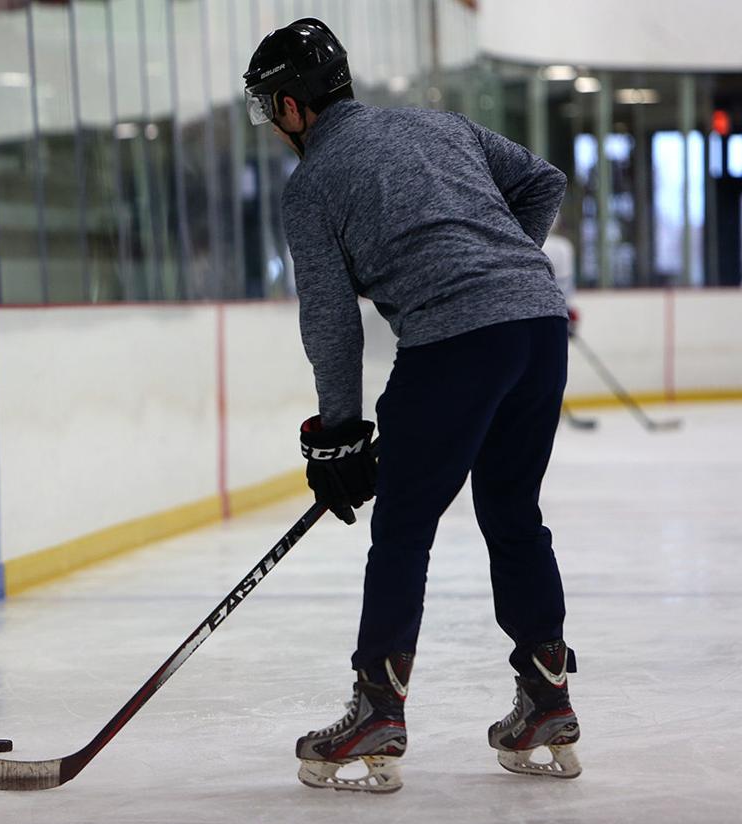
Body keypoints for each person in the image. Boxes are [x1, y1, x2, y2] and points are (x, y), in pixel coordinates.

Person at [243, 19, 580, 793]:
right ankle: (546, 698)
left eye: (271, 107)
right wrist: (506, 267)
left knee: (402, 528)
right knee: (513, 514)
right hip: (538, 327)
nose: (272, 123)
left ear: (293, 106)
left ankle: (376, 711)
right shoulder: (437, 125)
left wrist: (338, 433)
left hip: (457, 343)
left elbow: (330, 324)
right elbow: (544, 181)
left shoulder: (312, 186)